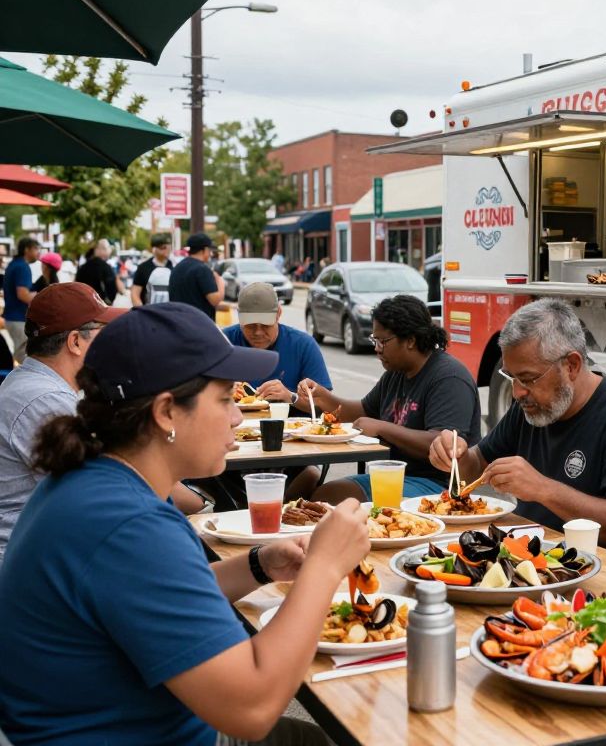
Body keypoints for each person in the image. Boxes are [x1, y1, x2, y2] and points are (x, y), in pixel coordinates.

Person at [0, 302, 369, 745]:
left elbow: (157, 592)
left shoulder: (92, 482)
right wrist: (325, 568)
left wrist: (259, 565)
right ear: (166, 412)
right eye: (226, 398)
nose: (237, 416)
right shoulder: (129, 525)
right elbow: (251, 708)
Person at [428, 298, 606, 565]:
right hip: (535, 561)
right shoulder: (530, 408)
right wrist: (454, 455)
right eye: (511, 377)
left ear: (572, 365)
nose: (517, 391)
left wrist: (542, 489)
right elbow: (476, 467)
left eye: (529, 378)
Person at [299, 294, 481, 503]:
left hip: (440, 486)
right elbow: (364, 412)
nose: (377, 348)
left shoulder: (449, 377)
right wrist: (323, 397)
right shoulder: (396, 373)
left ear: (411, 340)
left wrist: (382, 428)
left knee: (334, 500)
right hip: (396, 475)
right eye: (374, 340)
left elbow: (442, 443)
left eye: (383, 341)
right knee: (321, 495)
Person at [0, 283, 128, 563]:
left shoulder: (33, 383)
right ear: (75, 342)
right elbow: (99, 500)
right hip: (30, 565)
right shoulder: (44, 399)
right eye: (101, 335)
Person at [218, 282, 332, 503]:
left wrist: (292, 397)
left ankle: (270, 515)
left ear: (279, 313)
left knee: (311, 474)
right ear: (239, 317)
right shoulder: (224, 342)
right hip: (232, 443)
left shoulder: (302, 345)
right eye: (250, 326)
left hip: (291, 446)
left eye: (265, 325)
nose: (258, 332)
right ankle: (240, 510)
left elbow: (325, 407)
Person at [168, 233, 225, 321]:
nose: (210, 254)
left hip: (178, 321)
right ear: (205, 250)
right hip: (199, 324)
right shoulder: (202, 269)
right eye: (210, 250)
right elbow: (215, 300)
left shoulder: (177, 267)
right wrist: (220, 281)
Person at [2, 237, 40, 363]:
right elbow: (23, 295)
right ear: (26, 249)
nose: (38, 252)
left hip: (12, 317)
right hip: (17, 318)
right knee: (24, 355)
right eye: (35, 248)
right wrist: (41, 296)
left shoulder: (14, 264)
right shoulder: (22, 267)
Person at [131, 233, 174, 306]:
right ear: (154, 249)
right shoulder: (143, 268)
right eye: (163, 247)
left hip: (169, 312)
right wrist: (142, 310)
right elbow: (135, 293)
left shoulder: (174, 267)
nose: (167, 250)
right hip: (148, 311)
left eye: (169, 247)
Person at [75, 238, 122, 305]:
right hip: (101, 307)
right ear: (101, 249)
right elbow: (117, 289)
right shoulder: (106, 267)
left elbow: (76, 285)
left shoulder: (83, 267)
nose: (110, 250)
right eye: (108, 248)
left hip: (83, 305)